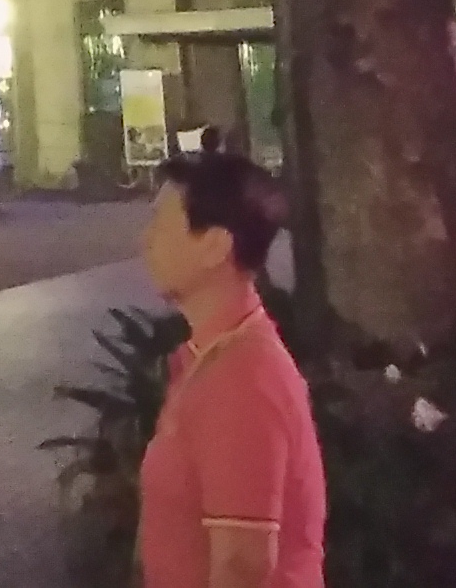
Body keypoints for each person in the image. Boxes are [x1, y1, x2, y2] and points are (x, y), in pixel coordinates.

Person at [135, 151, 323, 588]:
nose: (144, 242)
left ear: (216, 246)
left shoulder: (243, 380)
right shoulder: (210, 355)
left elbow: (242, 568)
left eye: (161, 227)